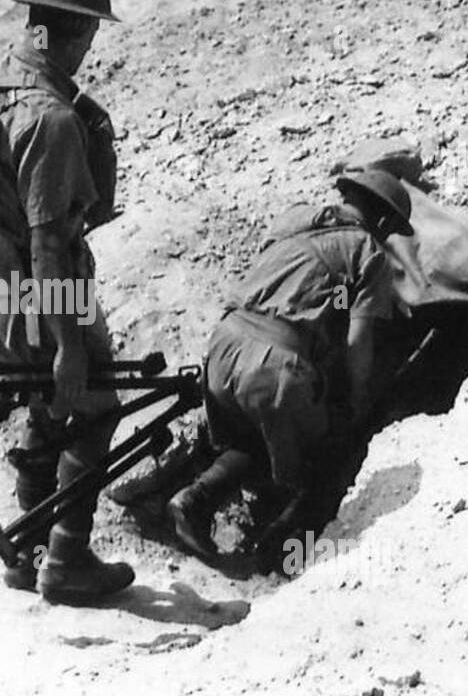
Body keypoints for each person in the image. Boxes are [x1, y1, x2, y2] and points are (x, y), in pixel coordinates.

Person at [0, 0, 134, 604]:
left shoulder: (1, 81)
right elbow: (49, 241)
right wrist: (66, 344)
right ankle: (66, 561)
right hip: (35, 283)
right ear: (80, 34)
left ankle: (25, 551)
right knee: (93, 402)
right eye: (90, 33)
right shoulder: (53, 120)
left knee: (44, 401)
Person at [168, 168, 414, 566]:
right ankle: (278, 550)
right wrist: (355, 400)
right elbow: (358, 341)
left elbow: (309, 288)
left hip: (220, 348)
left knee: (263, 429)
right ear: (383, 220)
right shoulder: (368, 253)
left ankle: (194, 500)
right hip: (271, 364)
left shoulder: (294, 222)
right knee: (324, 443)